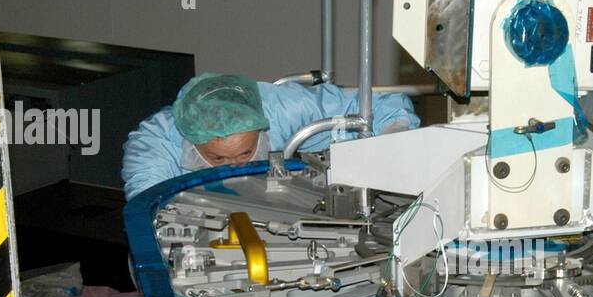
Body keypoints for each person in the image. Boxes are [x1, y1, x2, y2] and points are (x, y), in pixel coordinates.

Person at [121, 72, 420, 200]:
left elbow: (380, 104)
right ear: (192, 142)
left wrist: (394, 137)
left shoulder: (283, 108)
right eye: (217, 158)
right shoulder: (153, 145)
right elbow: (148, 209)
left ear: (262, 128)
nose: (234, 165)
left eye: (245, 153)